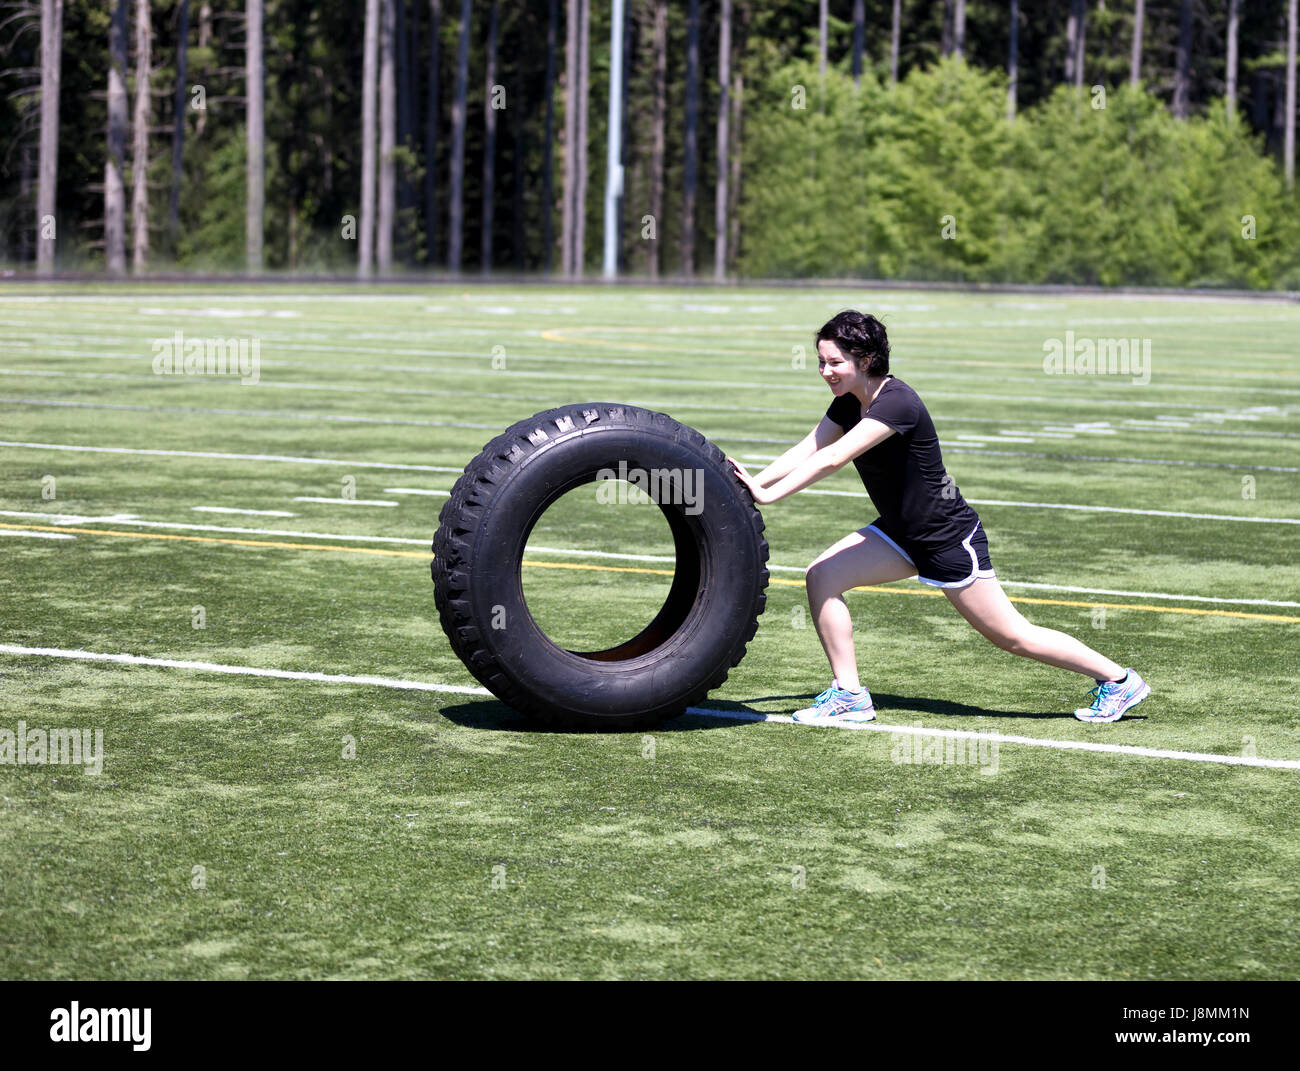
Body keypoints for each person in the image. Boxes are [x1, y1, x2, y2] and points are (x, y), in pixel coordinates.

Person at [727, 309, 1150, 726]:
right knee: (822, 576)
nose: (825, 371)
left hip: (944, 537)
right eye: (821, 362)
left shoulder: (897, 403)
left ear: (866, 360)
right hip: (899, 532)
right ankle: (849, 695)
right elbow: (812, 446)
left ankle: (1118, 679)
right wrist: (752, 484)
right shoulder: (847, 402)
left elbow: (835, 456)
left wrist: (768, 495)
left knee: (1012, 636)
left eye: (834, 362)